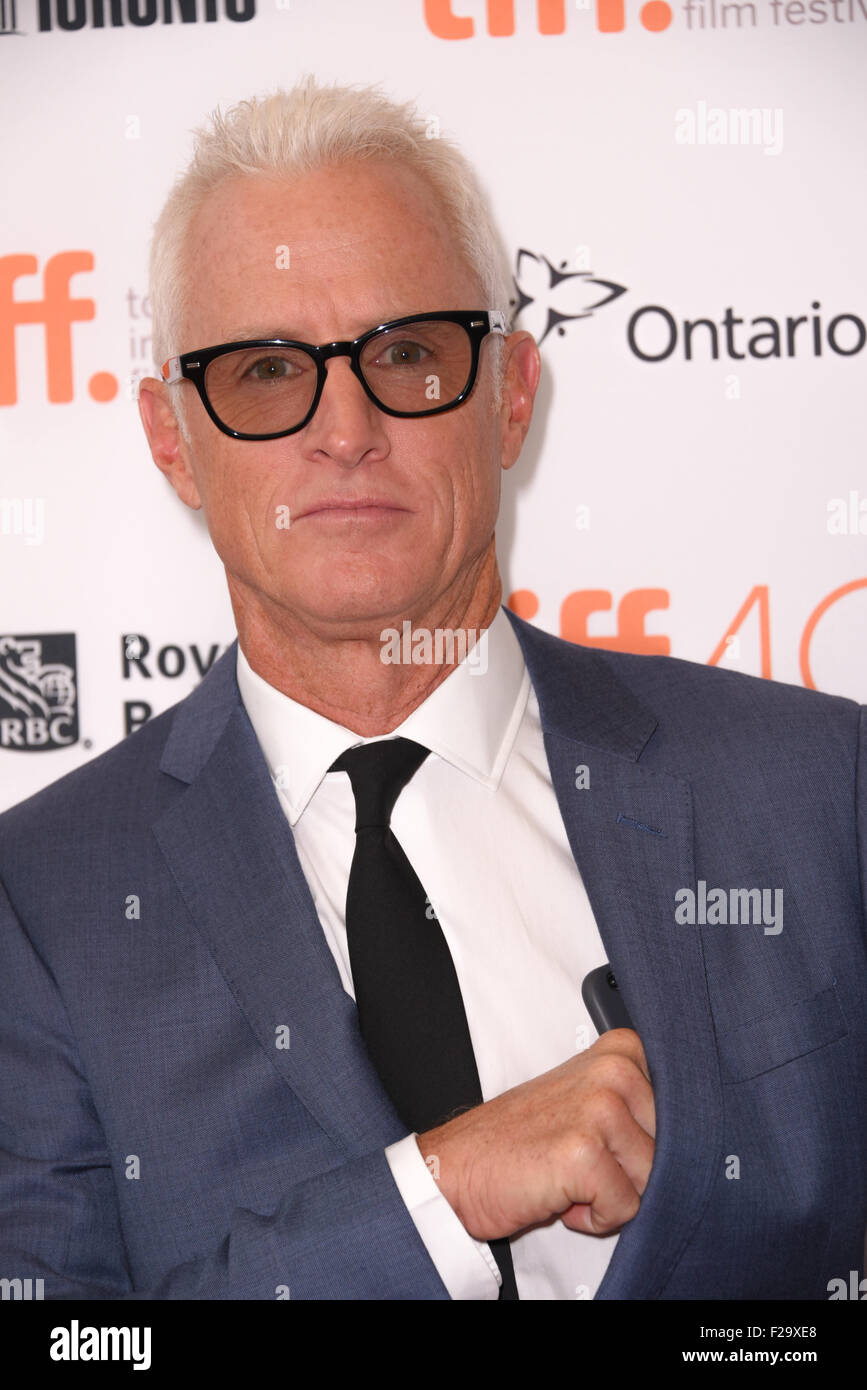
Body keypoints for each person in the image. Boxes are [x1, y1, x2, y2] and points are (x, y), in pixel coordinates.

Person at [0, 75, 865, 1302]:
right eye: (264, 370)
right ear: (170, 439)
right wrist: (436, 1198)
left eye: (408, 354)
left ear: (510, 397)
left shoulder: (815, 789)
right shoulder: (39, 903)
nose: (345, 427)